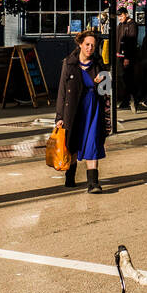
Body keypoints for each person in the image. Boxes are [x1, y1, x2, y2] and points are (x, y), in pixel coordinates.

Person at [55, 29, 110, 193]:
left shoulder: (98, 63)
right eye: (87, 44)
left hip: (93, 110)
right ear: (80, 44)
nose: (90, 48)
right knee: (72, 144)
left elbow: (108, 91)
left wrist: (103, 81)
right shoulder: (69, 63)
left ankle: (93, 183)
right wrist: (59, 117)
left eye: (93, 45)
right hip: (73, 110)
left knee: (93, 143)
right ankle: (70, 177)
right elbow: (62, 91)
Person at [115, 7, 139, 113]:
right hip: (119, 56)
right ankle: (126, 100)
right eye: (118, 16)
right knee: (122, 79)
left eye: (121, 16)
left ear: (126, 14)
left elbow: (131, 42)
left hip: (127, 57)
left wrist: (127, 57)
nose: (120, 18)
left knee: (128, 79)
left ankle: (133, 99)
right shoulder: (120, 25)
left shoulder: (132, 25)